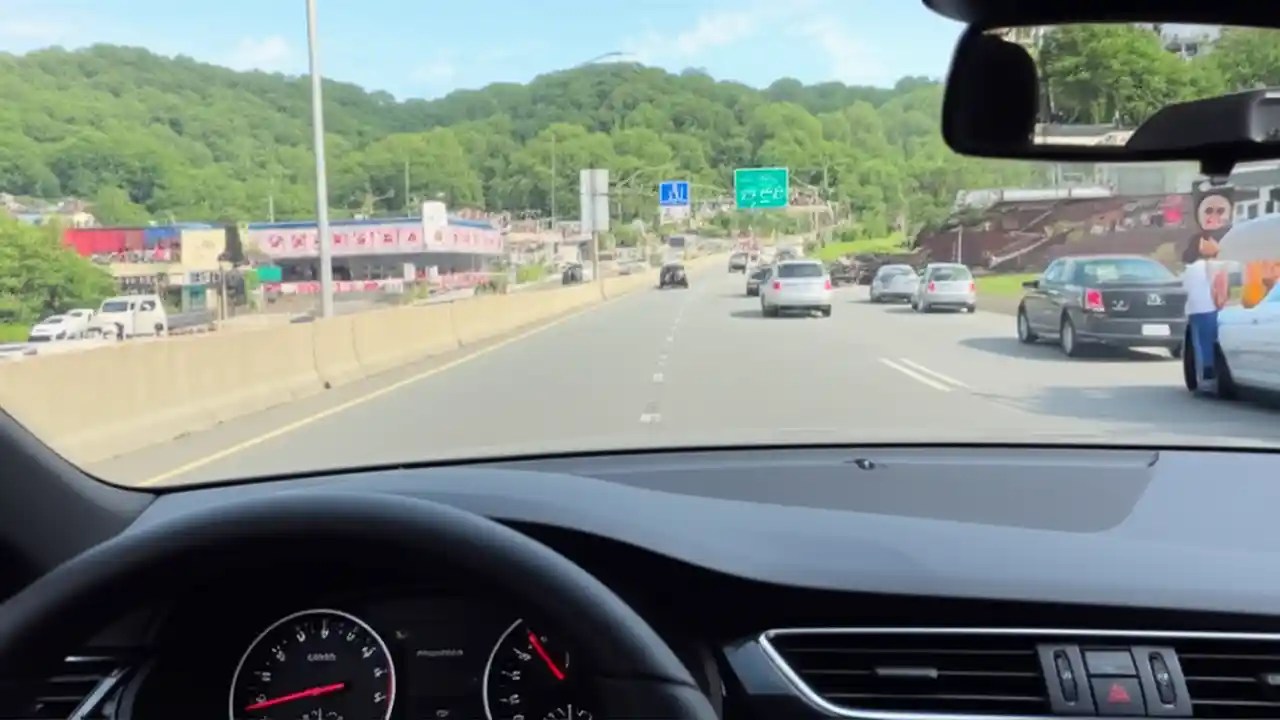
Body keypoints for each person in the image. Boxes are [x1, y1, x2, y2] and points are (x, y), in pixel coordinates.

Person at [1182, 234, 1228, 388]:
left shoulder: (1190, 269)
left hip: (1194, 309)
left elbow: (1185, 289)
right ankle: (1209, 373)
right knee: (1209, 341)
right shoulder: (1213, 266)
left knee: (1199, 343)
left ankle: (1204, 375)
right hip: (1210, 308)